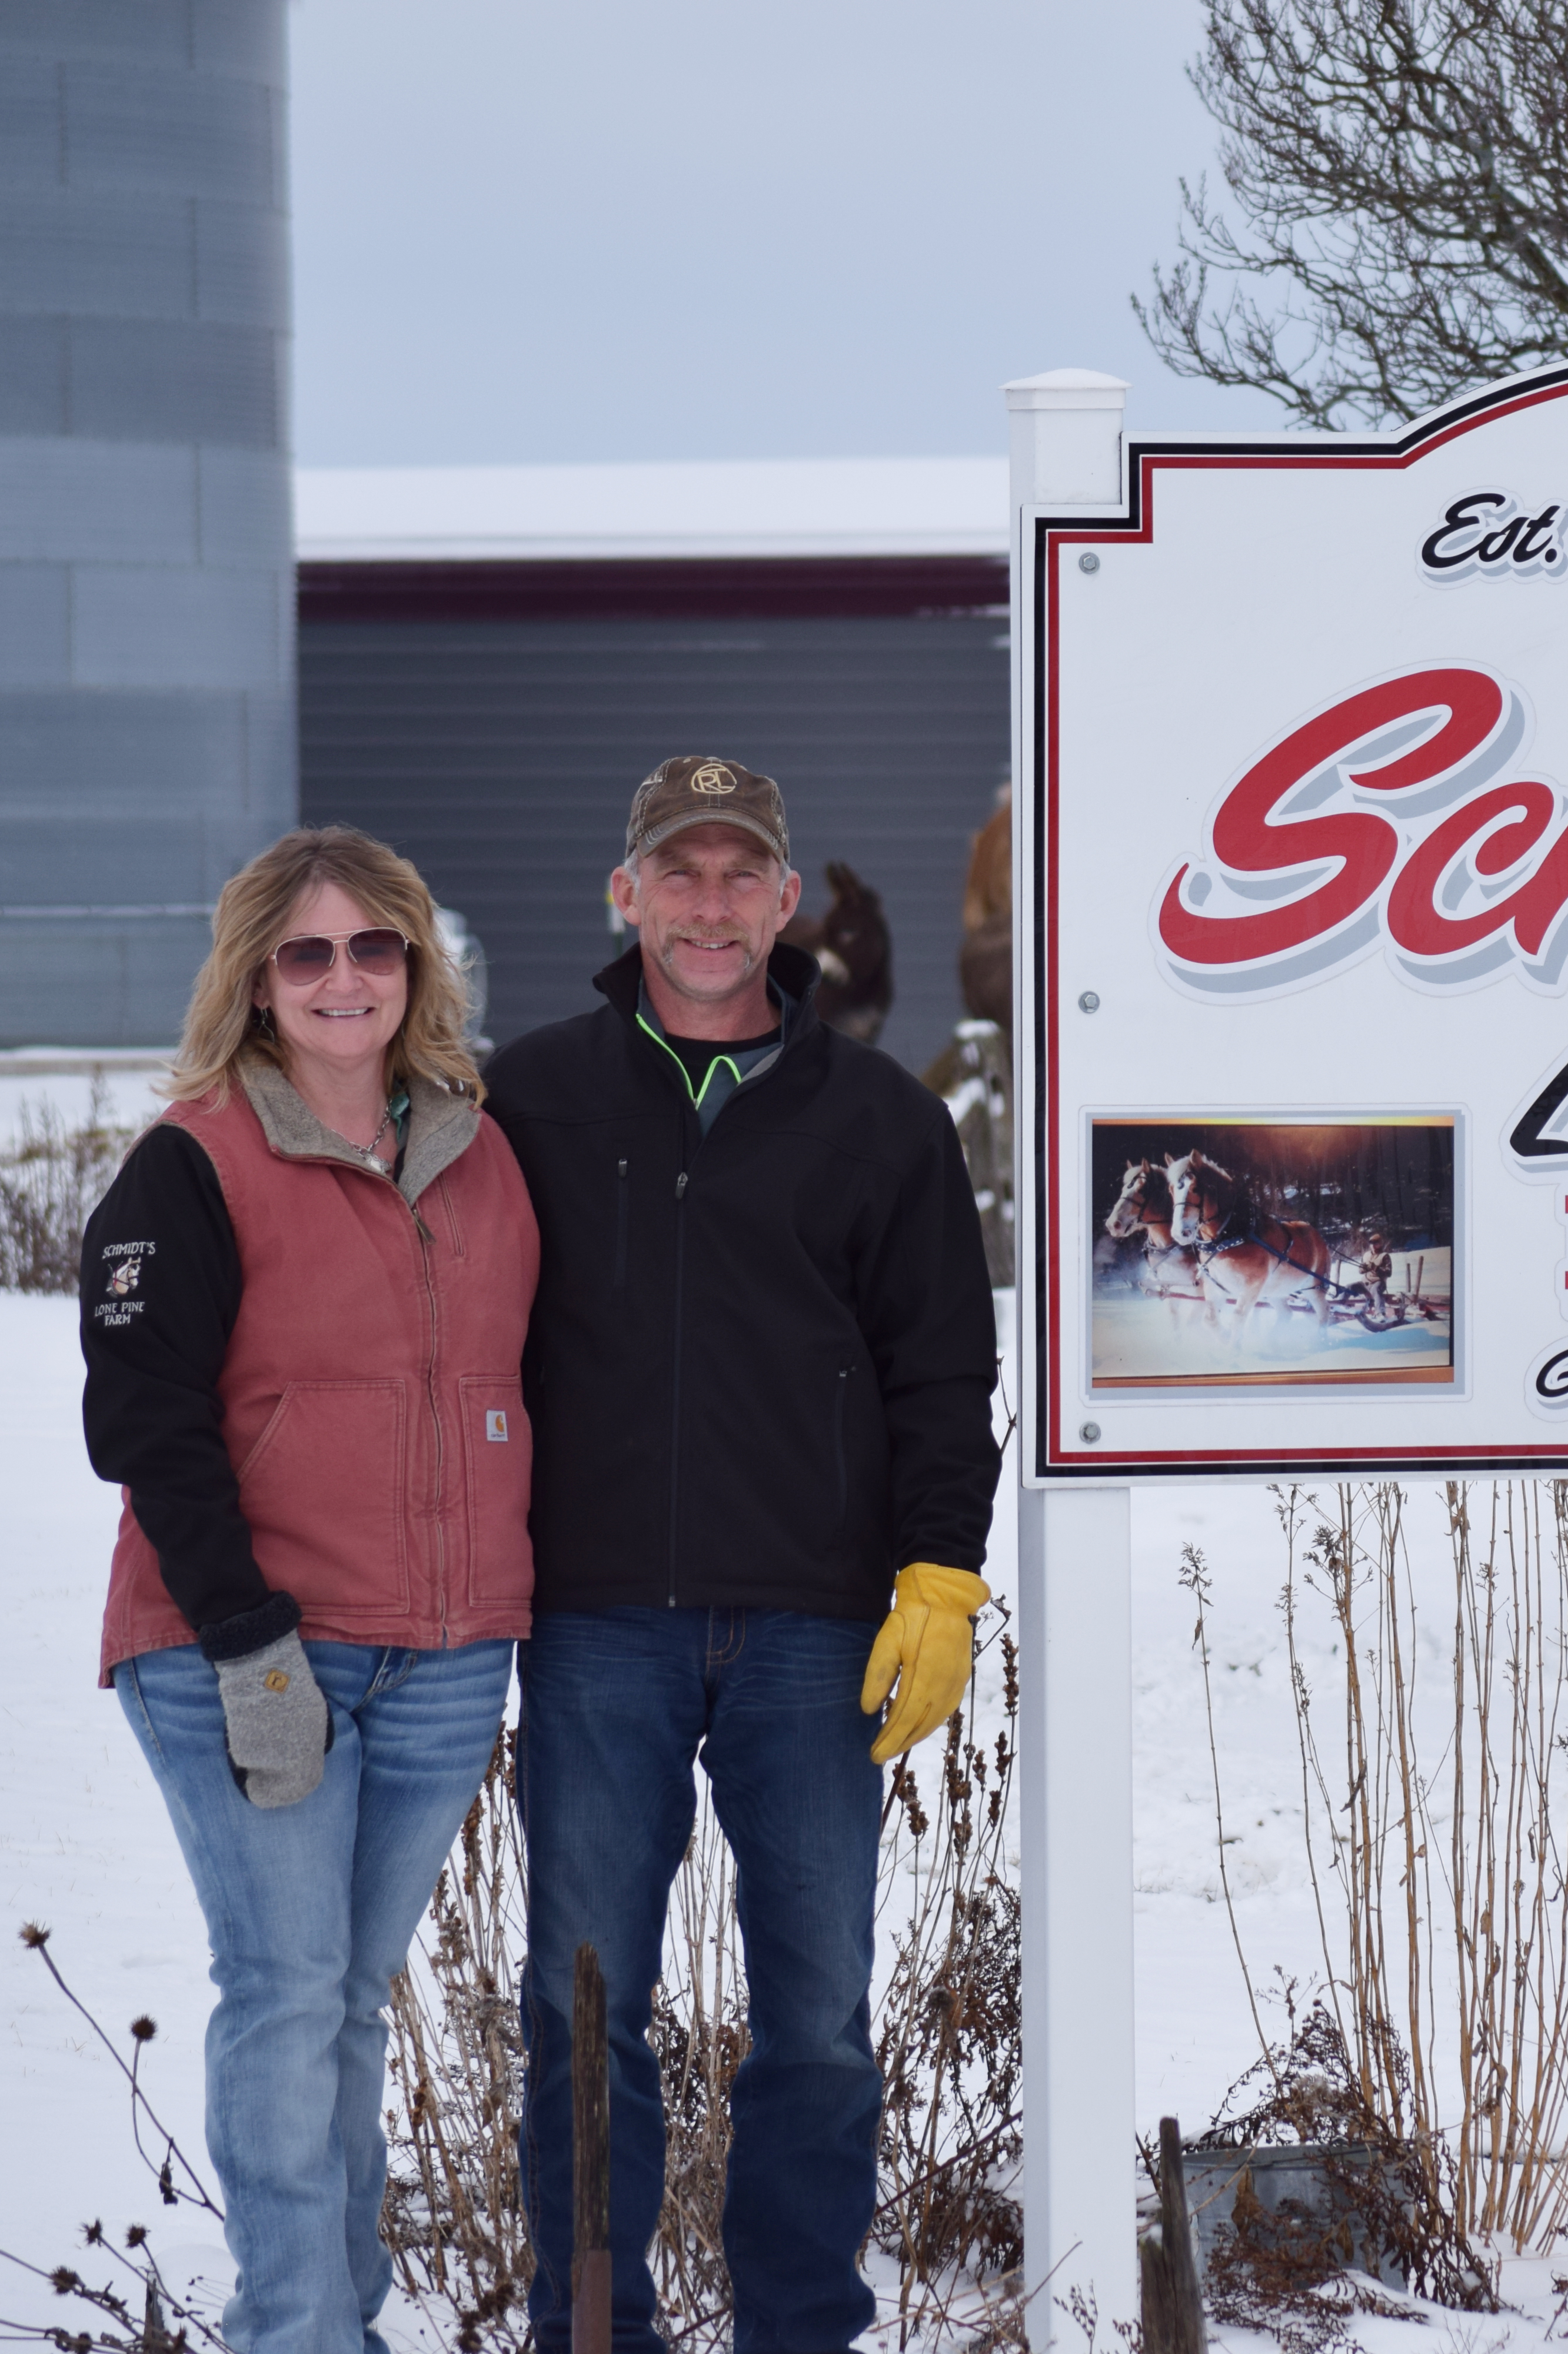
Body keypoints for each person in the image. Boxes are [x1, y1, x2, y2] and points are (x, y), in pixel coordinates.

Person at [482, 756, 999, 2354]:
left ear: (789, 905)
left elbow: (940, 1369)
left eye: (740, 875)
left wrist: (939, 1578)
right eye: (677, 872)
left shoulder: (884, 1122)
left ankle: (798, 2330)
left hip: (814, 1629)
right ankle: (594, 2328)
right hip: (595, 1626)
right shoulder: (530, 1098)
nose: (711, 905)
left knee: (822, 2033)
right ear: (625, 894)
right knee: (585, 2020)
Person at [80, 826, 541, 2354]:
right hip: (246, 1652)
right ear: (258, 983)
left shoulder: (479, 1151)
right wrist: (246, 1640)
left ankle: (337, 2310)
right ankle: (299, 2332)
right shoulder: (192, 1162)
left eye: (374, 947)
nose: (344, 979)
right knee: (284, 1992)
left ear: (417, 965)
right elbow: (143, 1420)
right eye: (307, 954)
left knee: (348, 1999)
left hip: (447, 1652)